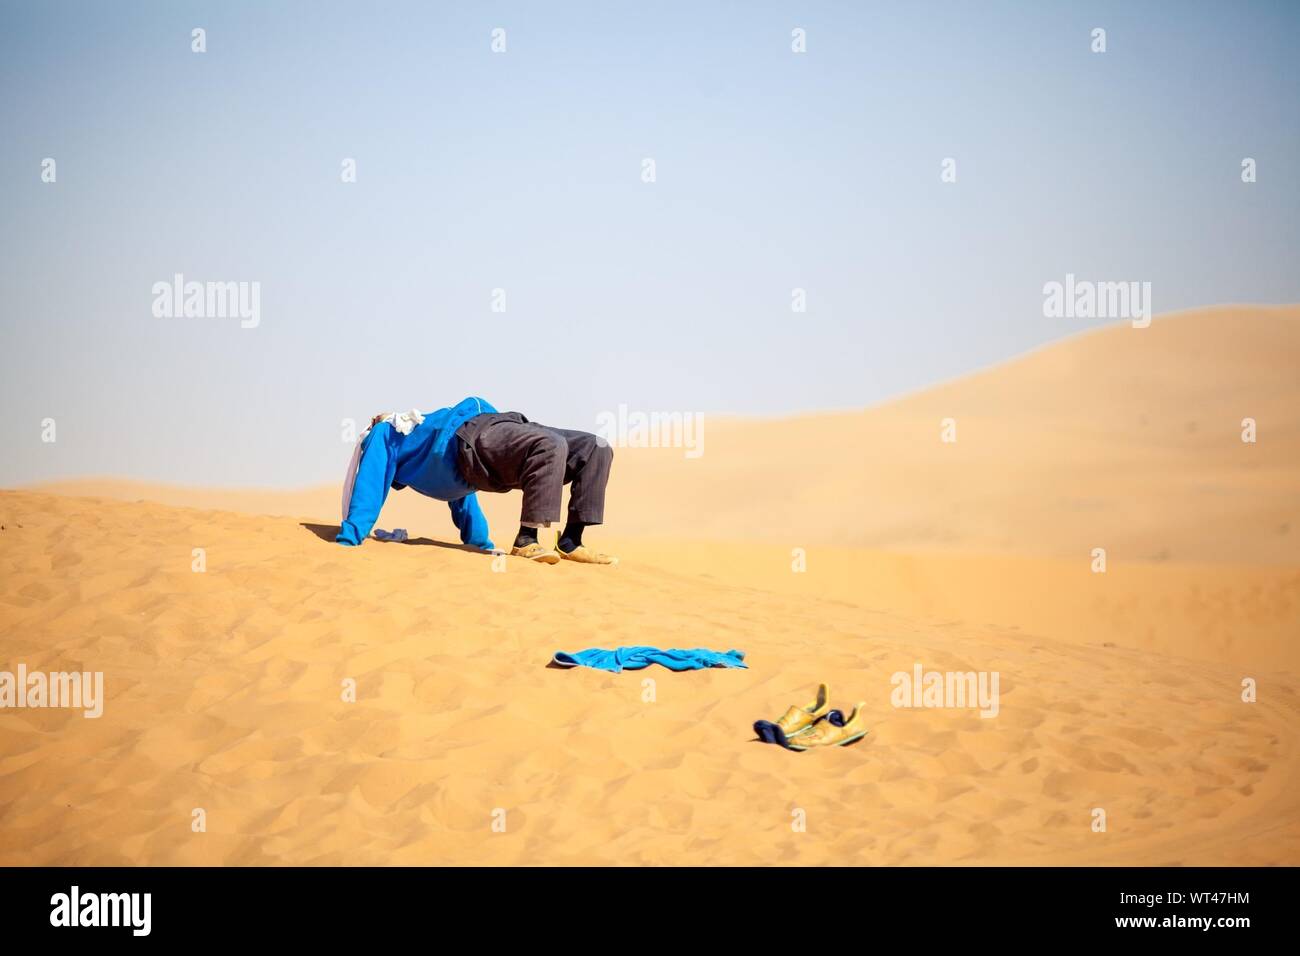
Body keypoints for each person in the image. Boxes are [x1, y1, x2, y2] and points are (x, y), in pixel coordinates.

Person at [337, 396, 617, 565]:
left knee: (596, 448)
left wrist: (479, 541)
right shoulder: (385, 434)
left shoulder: (416, 428)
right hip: (472, 442)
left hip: (489, 424)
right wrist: (352, 534)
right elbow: (369, 484)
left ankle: (571, 542)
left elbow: (461, 496)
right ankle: (526, 539)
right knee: (549, 444)